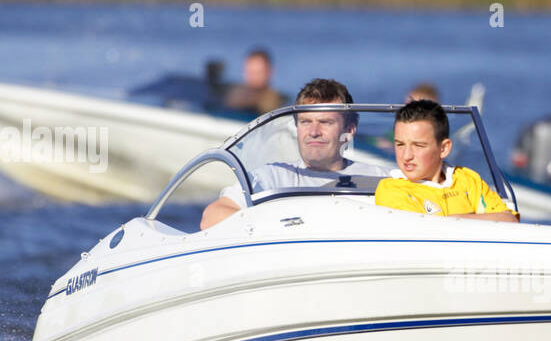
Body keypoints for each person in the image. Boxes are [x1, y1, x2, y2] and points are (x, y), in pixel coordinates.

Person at [200, 78, 391, 229]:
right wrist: (284, 227)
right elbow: (212, 217)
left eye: (325, 122)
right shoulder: (273, 177)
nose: (314, 131)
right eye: (306, 122)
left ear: (349, 128)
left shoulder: (379, 179)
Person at [374, 100, 517, 222]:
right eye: (400, 144)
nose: (406, 156)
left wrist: (453, 219)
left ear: (444, 148)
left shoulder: (467, 179)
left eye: (418, 145)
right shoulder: (390, 190)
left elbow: (509, 220)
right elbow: (425, 233)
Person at [221, 48, 285, 116]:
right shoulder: (234, 92)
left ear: (270, 72)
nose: (254, 77)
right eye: (250, 72)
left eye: (258, 73)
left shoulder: (274, 99)